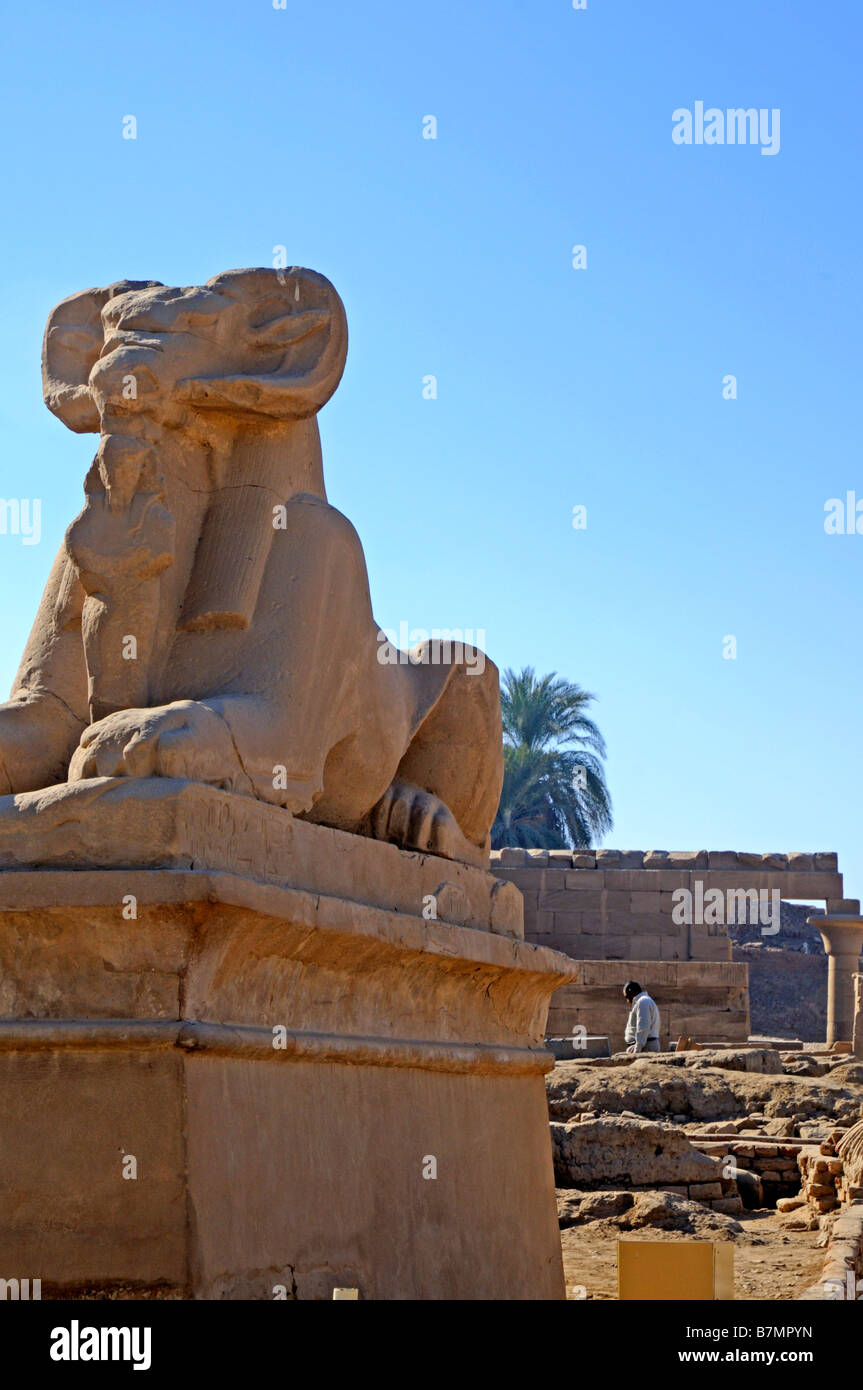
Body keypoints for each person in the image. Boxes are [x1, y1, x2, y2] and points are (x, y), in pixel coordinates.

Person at [623, 980, 661, 1053]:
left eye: (627, 997)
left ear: (631, 992)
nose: (627, 1001)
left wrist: (637, 1049)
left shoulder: (643, 1002)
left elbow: (643, 1027)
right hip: (644, 1045)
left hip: (644, 1047)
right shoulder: (643, 1001)